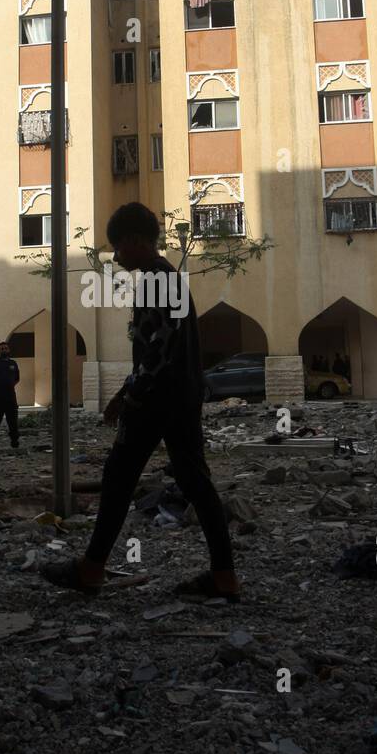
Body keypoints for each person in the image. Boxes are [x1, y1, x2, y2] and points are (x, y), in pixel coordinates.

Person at [42, 202, 241, 603]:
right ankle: (223, 577)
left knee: (119, 479)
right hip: (179, 397)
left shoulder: (156, 280)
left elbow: (159, 350)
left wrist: (129, 395)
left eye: (118, 247)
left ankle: (91, 569)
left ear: (134, 241)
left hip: (157, 401)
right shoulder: (166, 278)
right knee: (194, 481)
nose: (116, 257)